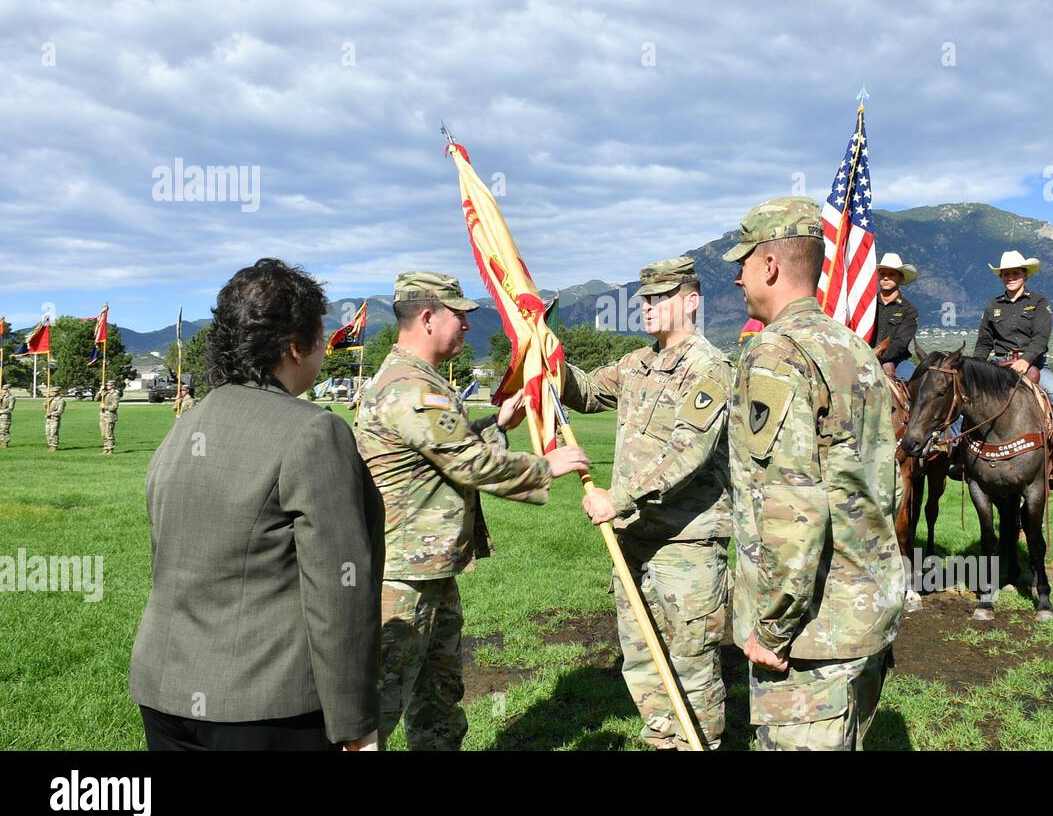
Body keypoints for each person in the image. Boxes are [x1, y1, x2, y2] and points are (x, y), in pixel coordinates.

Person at [129, 258, 384, 751]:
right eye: (320, 336)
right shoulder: (314, 431)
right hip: (268, 708)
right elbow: (339, 588)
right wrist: (356, 723)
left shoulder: (186, 426)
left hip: (165, 691)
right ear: (294, 346)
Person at [353, 271, 590, 751]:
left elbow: (440, 452)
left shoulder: (419, 381)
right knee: (377, 709)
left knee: (438, 698)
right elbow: (466, 461)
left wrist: (494, 423)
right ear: (426, 317)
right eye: (457, 315)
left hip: (429, 568)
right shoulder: (408, 386)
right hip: (403, 576)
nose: (465, 325)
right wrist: (546, 466)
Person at [724, 196, 905, 751]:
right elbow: (888, 484)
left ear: (771, 266)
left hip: (810, 635)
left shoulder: (775, 353)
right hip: (863, 614)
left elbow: (792, 509)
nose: (737, 279)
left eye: (744, 263)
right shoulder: (853, 348)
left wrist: (772, 626)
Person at [562, 256, 732, 750]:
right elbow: (588, 391)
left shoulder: (709, 367)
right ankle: (662, 740)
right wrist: (547, 357)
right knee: (641, 658)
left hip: (687, 542)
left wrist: (617, 498)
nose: (647, 305)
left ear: (691, 300)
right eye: (645, 297)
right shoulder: (638, 363)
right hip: (635, 539)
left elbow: (689, 452)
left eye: (661, 296)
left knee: (692, 665)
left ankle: (698, 744)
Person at [960, 250, 1053, 488]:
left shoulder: (1039, 302)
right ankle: (957, 455)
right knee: (962, 399)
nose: (1011, 277)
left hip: (1034, 366)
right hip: (998, 367)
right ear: (1001, 277)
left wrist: (1027, 359)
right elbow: (984, 342)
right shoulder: (993, 306)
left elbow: (1041, 337)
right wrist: (973, 369)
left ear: (1025, 275)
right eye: (1007, 274)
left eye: (1016, 273)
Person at [869, 253, 920, 379]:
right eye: (882, 274)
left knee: (915, 382)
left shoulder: (908, 310)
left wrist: (877, 356)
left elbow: (901, 343)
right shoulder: (866, 305)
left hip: (897, 361)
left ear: (900, 278)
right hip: (863, 358)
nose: (886, 278)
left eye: (891, 274)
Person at [96, 380, 120, 455]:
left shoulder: (115, 394)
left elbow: (114, 407)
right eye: (107, 385)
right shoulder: (105, 393)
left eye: (109, 385)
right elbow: (96, 399)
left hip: (110, 416)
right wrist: (100, 391)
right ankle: (105, 447)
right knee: (103, 433)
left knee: (109, 433)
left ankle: (110, 448)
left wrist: (105, 407)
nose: (107, 386)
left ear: (113, 385)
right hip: (103, 415)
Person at [44, 386, 65, 452]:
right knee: (48, 433)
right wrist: (47, 401)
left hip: (55, 419)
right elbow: (45, 406)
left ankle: (54, 446)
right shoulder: (51, 399)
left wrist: (51, 414)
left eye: (54, 392)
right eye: (52, 391)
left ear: (58, 392)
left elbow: (60, 411)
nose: (52, 393)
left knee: (53, 432)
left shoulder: (61, 400)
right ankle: (50, 445)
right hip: (48, 419)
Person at [0, 382, 13, 448]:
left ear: (8, 390)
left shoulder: (11, 397)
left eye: (5, 389)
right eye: (3, 389)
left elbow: (10, 409)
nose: (3, 391)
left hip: (5, 416)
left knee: (4, 430)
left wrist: (1, 411)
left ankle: (4, 443)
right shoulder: (0, 396)